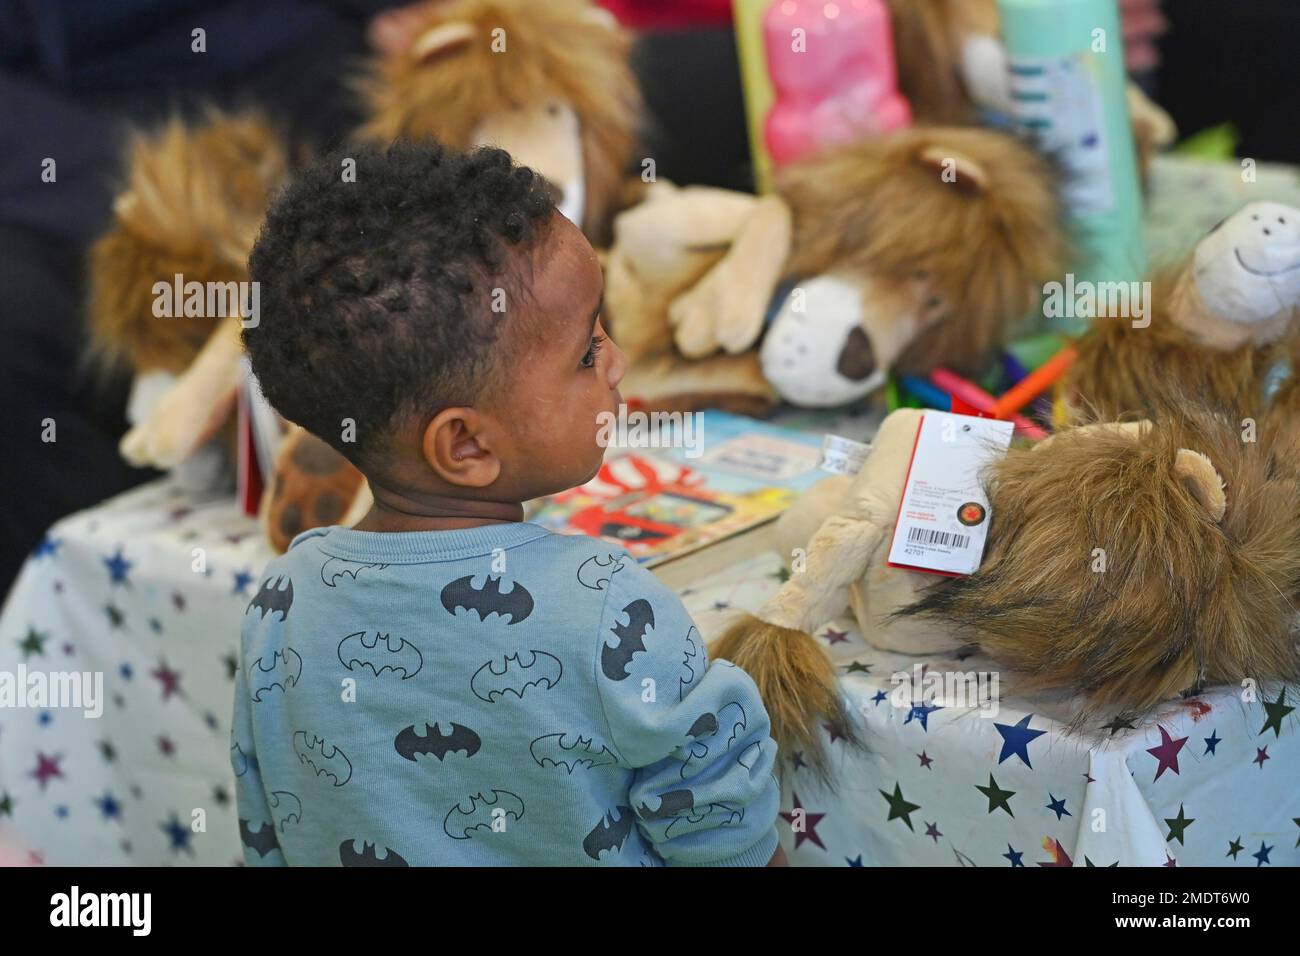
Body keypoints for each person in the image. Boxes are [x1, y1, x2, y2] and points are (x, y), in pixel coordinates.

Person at [231, 140, 786, 866]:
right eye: (587, 351)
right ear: (465, 446)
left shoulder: (278, 603)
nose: (616, 361)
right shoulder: (610, 608)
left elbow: (265, 829)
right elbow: (728, 836)